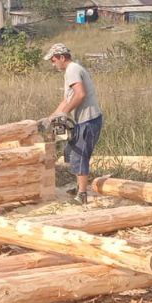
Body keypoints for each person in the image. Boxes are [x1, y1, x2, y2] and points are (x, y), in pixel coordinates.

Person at [46, 42, 103, 205]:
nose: (53, 63)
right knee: (70, 152)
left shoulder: (72, 70)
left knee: (80, 155)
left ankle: (83, 195)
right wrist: (51, 117)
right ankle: (79, 186)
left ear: (62, 57)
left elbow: (80, 94)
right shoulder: (71, 71)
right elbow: (67, 99)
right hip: (82, 120)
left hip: (88, 119)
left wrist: (64, 114)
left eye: (53, 60)